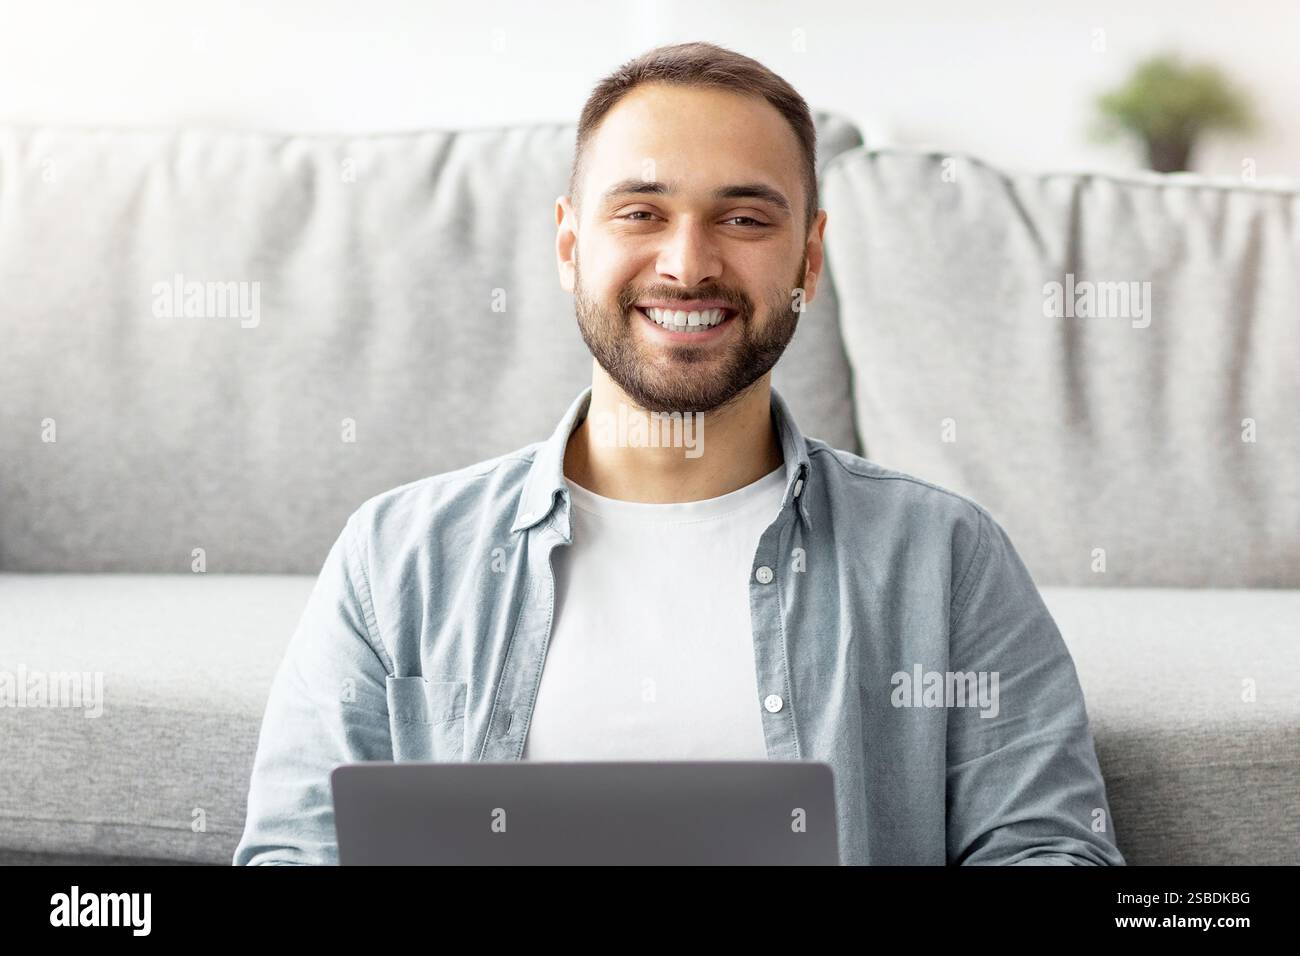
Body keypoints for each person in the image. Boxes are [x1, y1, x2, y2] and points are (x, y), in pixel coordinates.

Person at [234, 41, 1124, 866]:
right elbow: (293, 855)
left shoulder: (947, 559)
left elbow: (1052, 852)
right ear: (570, 245)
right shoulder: (395, 558)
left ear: (809, 261)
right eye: (641, 213)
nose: (688, 264)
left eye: (742, 218)